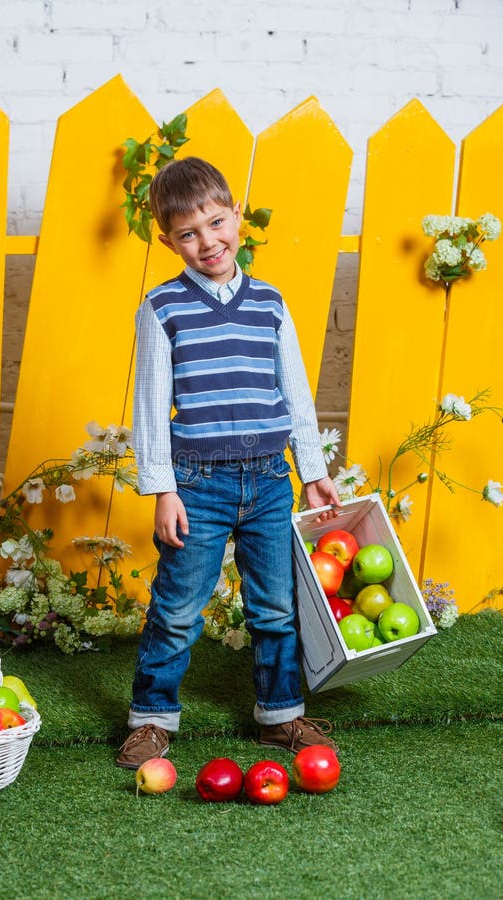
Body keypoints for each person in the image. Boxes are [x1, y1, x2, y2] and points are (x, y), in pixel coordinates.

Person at [116, 156, 341, 769]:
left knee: (275, 606)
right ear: (168, 240)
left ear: (236, 216)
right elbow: (150, 405)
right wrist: (163, 490)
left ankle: (280, 717)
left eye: (216, 224)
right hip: (198, 486)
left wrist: (313, 471)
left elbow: (294, 392)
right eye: (188, 234)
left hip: (270, 479)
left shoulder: (270, 303)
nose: (207, 242)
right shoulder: (163, 308)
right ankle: (153, 719)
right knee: (178, 608)